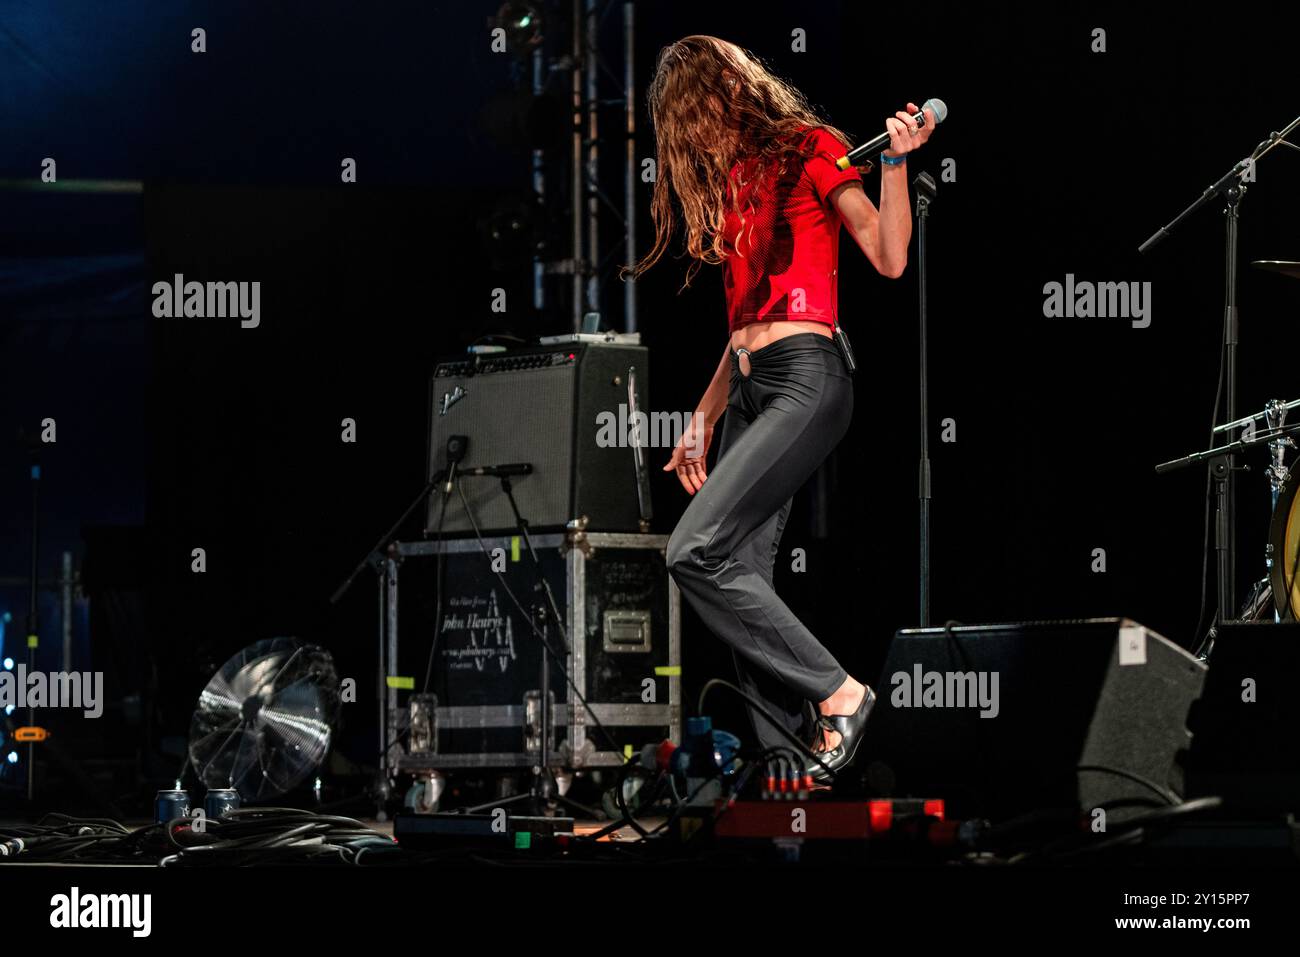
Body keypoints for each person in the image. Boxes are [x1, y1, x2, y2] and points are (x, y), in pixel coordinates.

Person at [624, 35, 936, 782]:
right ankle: (784, 758)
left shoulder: (812, 147)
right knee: (736, 569)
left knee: (692, 549)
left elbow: (889, 255)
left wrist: (893, 163)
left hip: (808, 380)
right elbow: (742, 331)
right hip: (753, 382)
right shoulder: (735, 182)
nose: (693, 134)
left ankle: (842, 693)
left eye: (696, 109)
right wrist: (701, 416)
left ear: (727, 93)